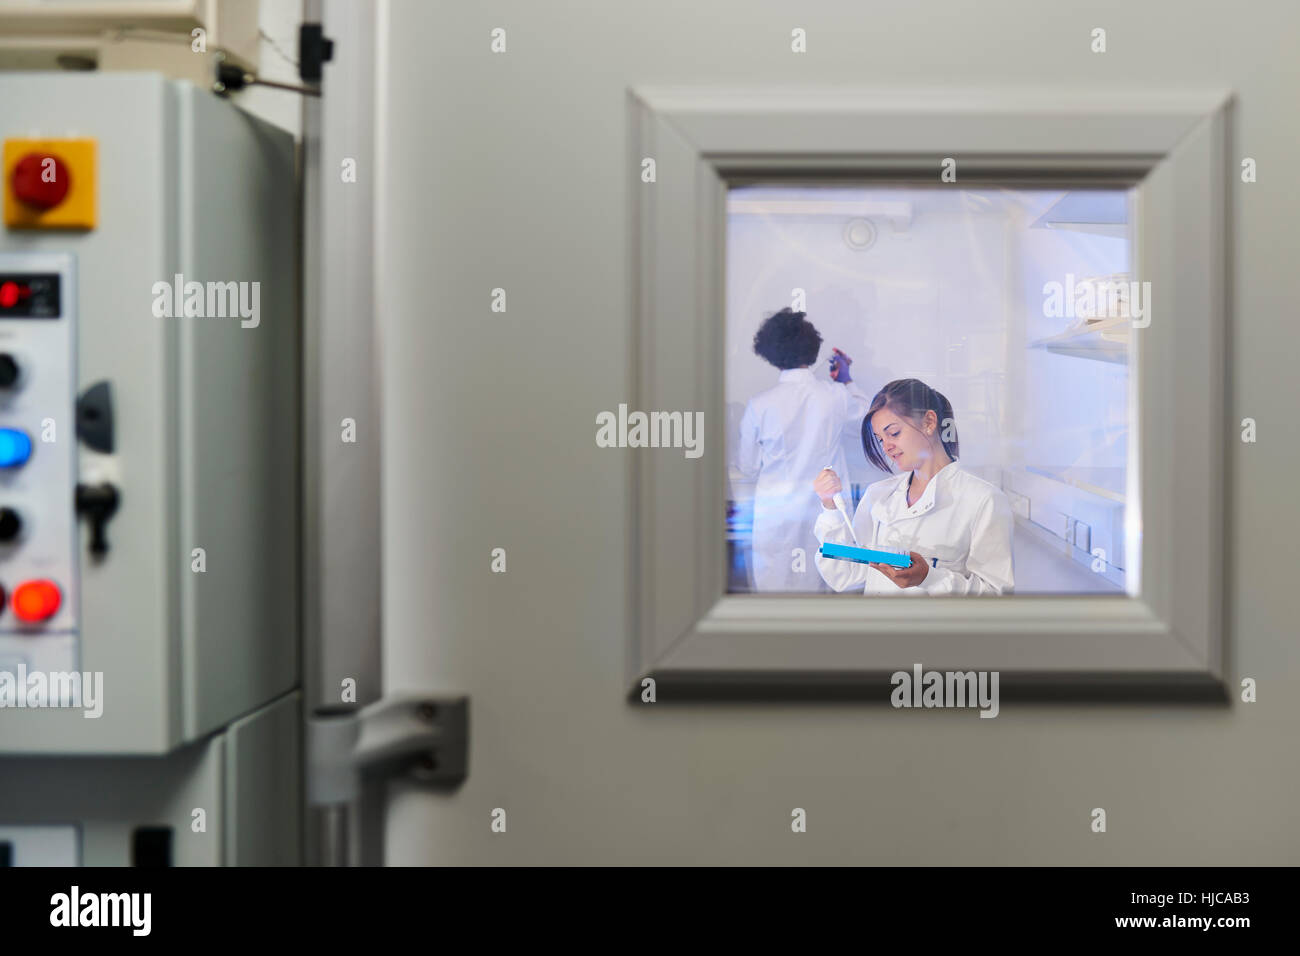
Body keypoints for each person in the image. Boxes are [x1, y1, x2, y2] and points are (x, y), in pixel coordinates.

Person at [811, 378, 1014, 595]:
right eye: (880, 439)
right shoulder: (878, 495)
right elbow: (847, 574)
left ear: (928, 422)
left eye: (894, 433)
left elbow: (996, 596)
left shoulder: (983, 500)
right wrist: (829, 507)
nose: (887, 447)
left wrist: (929, 578)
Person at [736, 308, 872, 591]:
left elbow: (747, 466)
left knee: (776, 589)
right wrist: (846, 379)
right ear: (812, 348)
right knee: (826, 582)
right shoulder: (834, 395)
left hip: (776, 514)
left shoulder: (759, 405)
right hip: (825, 510)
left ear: (770, 353)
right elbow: (865, 414)